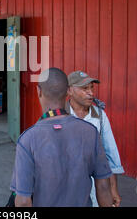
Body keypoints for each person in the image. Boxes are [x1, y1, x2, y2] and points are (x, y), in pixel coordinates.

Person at [10, 68, 113, 207]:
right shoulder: (90, 132)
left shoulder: (27, 139)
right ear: (67, 92)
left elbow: (23, 202)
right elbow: (104, 186)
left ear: (38, 91)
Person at [66, 71, 124, 207]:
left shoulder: (100, 116)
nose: (91, 93)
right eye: (84, 88)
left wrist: (113, 189)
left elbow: (110, 154)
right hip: (65, 184)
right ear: (69, 90)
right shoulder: (59, 115)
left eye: (92, 87)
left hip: (95, 186)